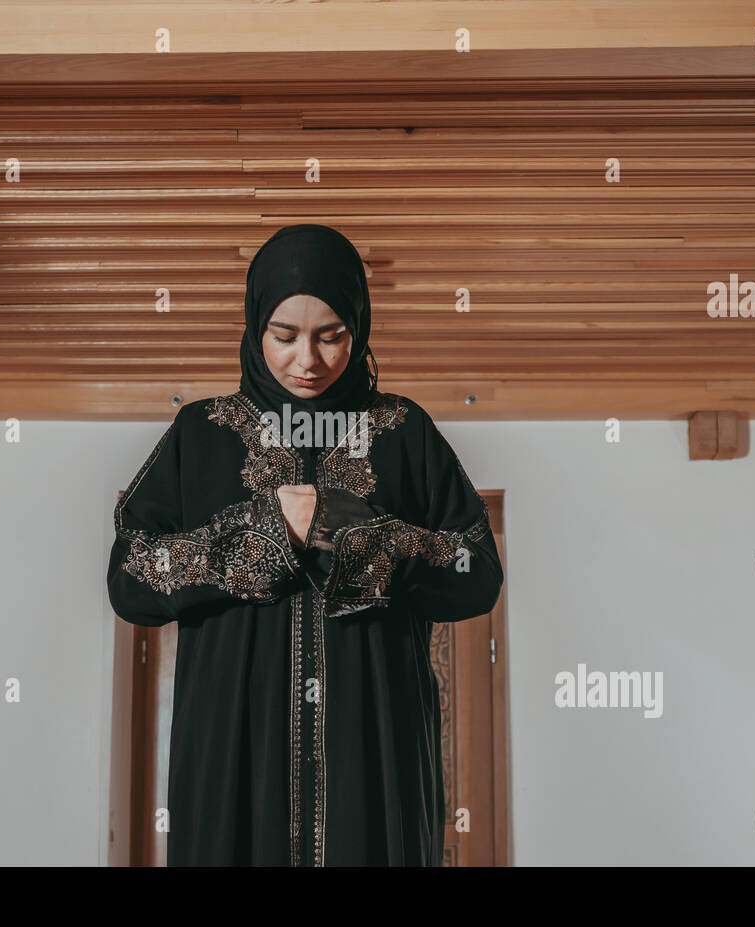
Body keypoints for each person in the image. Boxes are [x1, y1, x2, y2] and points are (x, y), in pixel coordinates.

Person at [107, 223, 504, 866]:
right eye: (284, 336)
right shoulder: (200, 434)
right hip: (232, 749)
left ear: (361, 327)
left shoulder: (402, 431)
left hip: (376, 746)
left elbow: (476, 570)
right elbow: (130, 578)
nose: (308, 361)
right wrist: (265, 532)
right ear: (254, 327)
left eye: (332, 336)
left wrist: (359, 533)